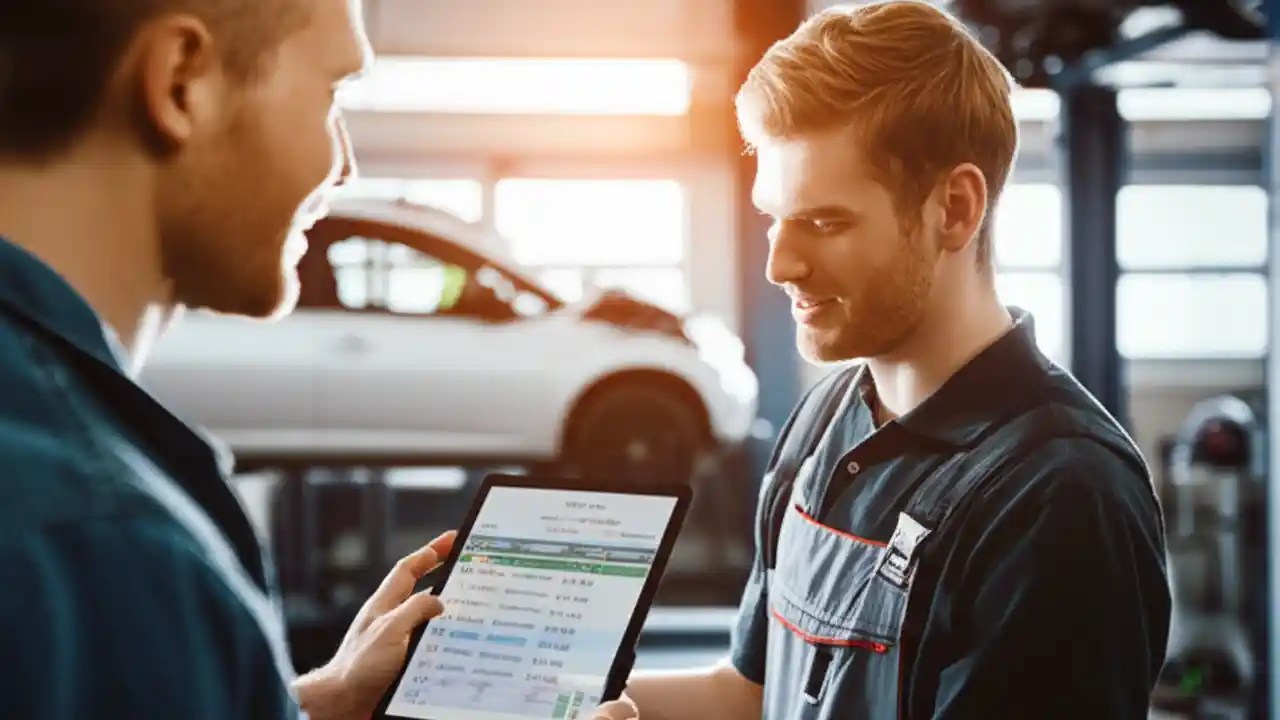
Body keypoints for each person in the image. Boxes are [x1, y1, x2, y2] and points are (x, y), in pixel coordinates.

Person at [593, 1, 1170, 718]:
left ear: (953, 209)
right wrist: (550, 702)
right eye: (774, 218)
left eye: (823, 222)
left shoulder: (1060, 496)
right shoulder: (822, 421)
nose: (779, 264)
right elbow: (750, 694)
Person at [0, 1, 457, 717]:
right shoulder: (103, 544)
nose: (344, 166)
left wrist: (309, 702)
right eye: (331, 92)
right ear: (183, 83)